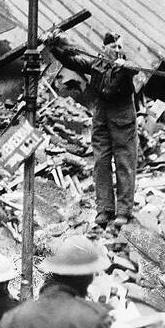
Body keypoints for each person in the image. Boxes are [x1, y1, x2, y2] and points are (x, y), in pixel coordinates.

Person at [50, 31, 139, 229]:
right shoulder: (96, 64)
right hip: (101, 116)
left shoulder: (125, 66)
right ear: (104, 48)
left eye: (119, 47)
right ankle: (105, 209)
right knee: (101, 162)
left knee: (124, 162)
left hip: (122, 116)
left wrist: (123, 65)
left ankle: (124, 211)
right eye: (113, 47)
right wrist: (53, 46)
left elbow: (135, 69)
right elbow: (72, 61)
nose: (117, 50)